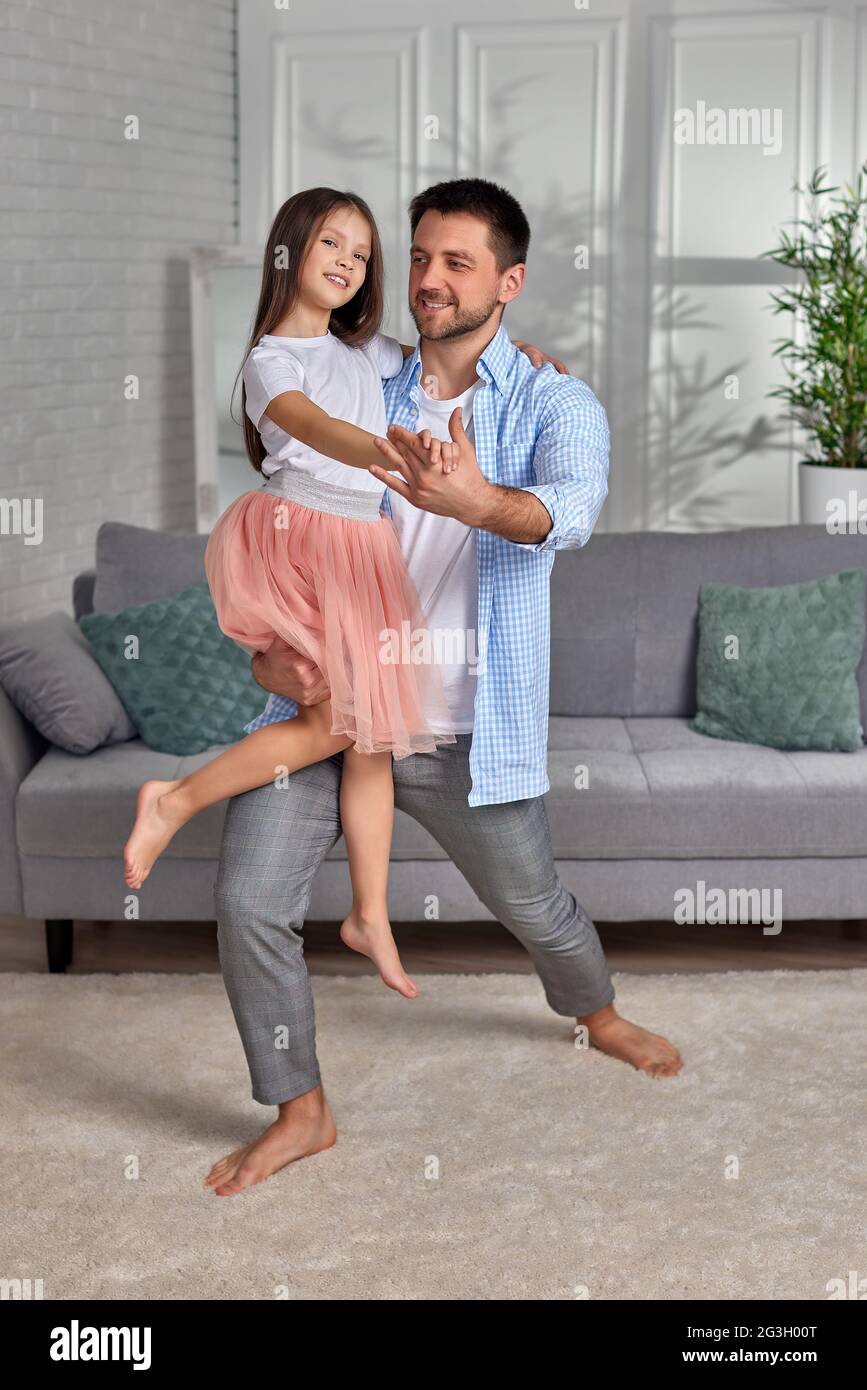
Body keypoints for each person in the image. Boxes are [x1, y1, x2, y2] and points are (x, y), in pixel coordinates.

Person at [204, 177, 684, 1198]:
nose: (426, 279)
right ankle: (302, 1108)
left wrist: (476, 498)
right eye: (417, 257)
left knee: (536, 905)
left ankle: (597, 1013)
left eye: (456, 263)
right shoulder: (359, 372)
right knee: (247, 899)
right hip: (328, 713)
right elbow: (281, 493)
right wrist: (268, 654)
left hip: (466, 725)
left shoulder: (556, 399)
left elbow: (570, 510)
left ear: (507, 283)